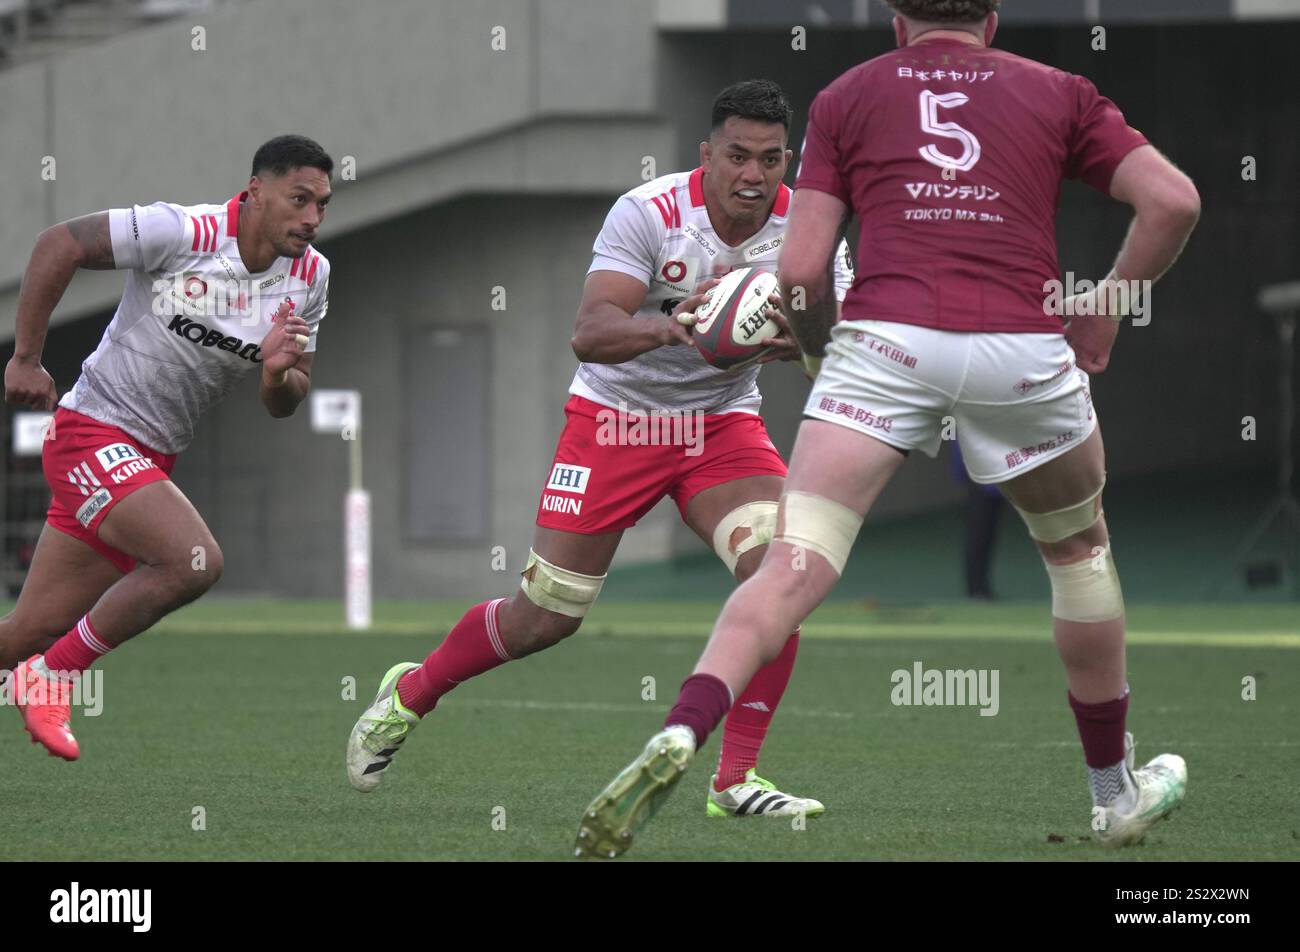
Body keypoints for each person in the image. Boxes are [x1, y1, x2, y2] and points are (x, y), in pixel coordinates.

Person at [576, 0, 1200, 858]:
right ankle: (1112, 795)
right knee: (1078, 554)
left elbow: (799, 270)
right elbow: (1173, 202)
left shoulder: (848, 95)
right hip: (1021, 346)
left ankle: (684, 730)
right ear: (994, 15)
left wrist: (825, 354)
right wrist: (1102, 313)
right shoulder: (1060, 89)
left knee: (791, 567)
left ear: (897, 21)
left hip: (887, 344)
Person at [347, 80, 853, 819]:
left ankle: (735, 779)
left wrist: (794, 342)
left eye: (772, 160)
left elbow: (838, 340)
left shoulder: (808, 225)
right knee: (545, 617)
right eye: (738, 156)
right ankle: (411, 692)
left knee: (780, 574)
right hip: (617, 421)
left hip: (720, 426)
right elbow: (591, 331)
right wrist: (678, 325)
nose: (754, 174)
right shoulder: (649, 212)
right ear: (705, 154)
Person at [1, 135, 333, 760]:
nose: (312, 218)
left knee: (28, 630)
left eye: (323, 204)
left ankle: (34, 661)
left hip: (150, 459)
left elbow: (287, 399)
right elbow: (59, 244)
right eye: (300, 199)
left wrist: (276, 374)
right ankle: (52, 677)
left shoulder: (310, 278)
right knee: (193, 561)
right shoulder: (183, 232)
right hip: (90, 431)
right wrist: (26, 357)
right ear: (256, 191)